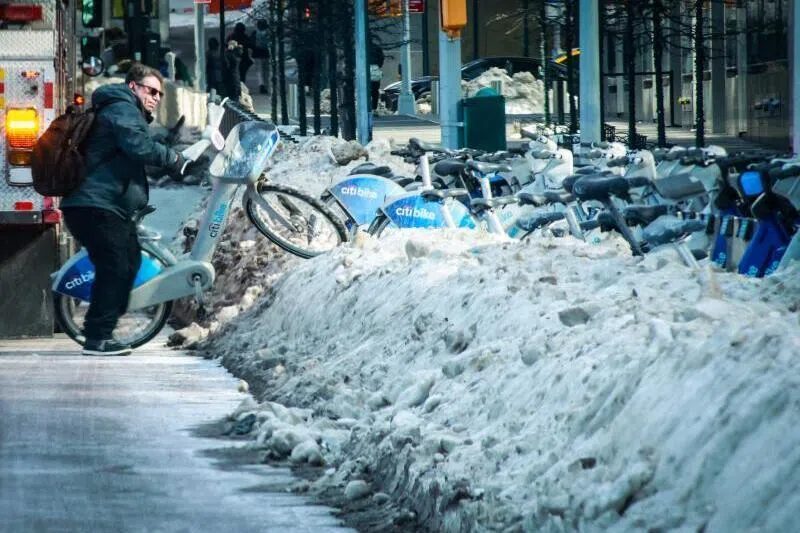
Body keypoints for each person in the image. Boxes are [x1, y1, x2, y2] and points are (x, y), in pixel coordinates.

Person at [60, 63, 199, 356]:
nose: (156, 98)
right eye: (151, 91)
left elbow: (133, 145)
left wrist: (165, 143)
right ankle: (98, 338)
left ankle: (99, 327)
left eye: (160, 94)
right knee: (116, 265)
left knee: (127, 263)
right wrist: (172, 160)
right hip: (95, 204)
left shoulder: (122, 111)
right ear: (133, 86)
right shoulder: (121, 108)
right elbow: (137, 146)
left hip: (104, 205)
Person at [251, 18, 270, 95]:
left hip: (257, 53)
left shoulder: (255, 33)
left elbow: (251, 42)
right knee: (266, 71)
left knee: (259, 71)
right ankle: (266, 85)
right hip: (265, 53)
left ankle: (261, 84)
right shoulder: (268, 33)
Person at [369, 41, 385, 112]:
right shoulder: (377, 48)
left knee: (365, 91)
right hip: (375, 69)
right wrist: (378, 65)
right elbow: (382, 57)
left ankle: (367, 108)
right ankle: (374, 109)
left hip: (364, 70)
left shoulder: (361, 46)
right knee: (375, 91)